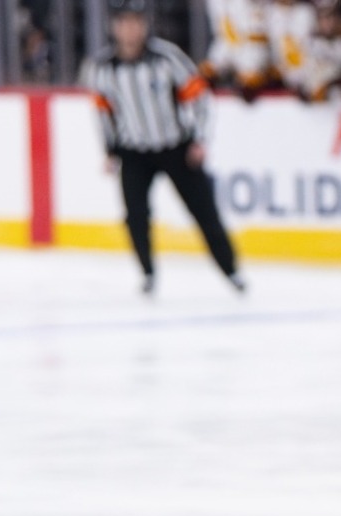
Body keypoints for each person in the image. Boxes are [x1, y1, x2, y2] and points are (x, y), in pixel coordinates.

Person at [84, 0, 243, 296]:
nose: (130, 29)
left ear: (145, 25)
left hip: (175, 147)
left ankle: (231, 271)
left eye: (136, 22)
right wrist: (109, 150)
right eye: (124, 22)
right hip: (134, 151)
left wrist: (199, 139)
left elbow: (199, 97)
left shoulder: (167, 57)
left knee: (204, 211)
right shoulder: (103, 67)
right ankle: (147, 273)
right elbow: (104, 112)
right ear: (114, 27)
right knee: (135, 216)